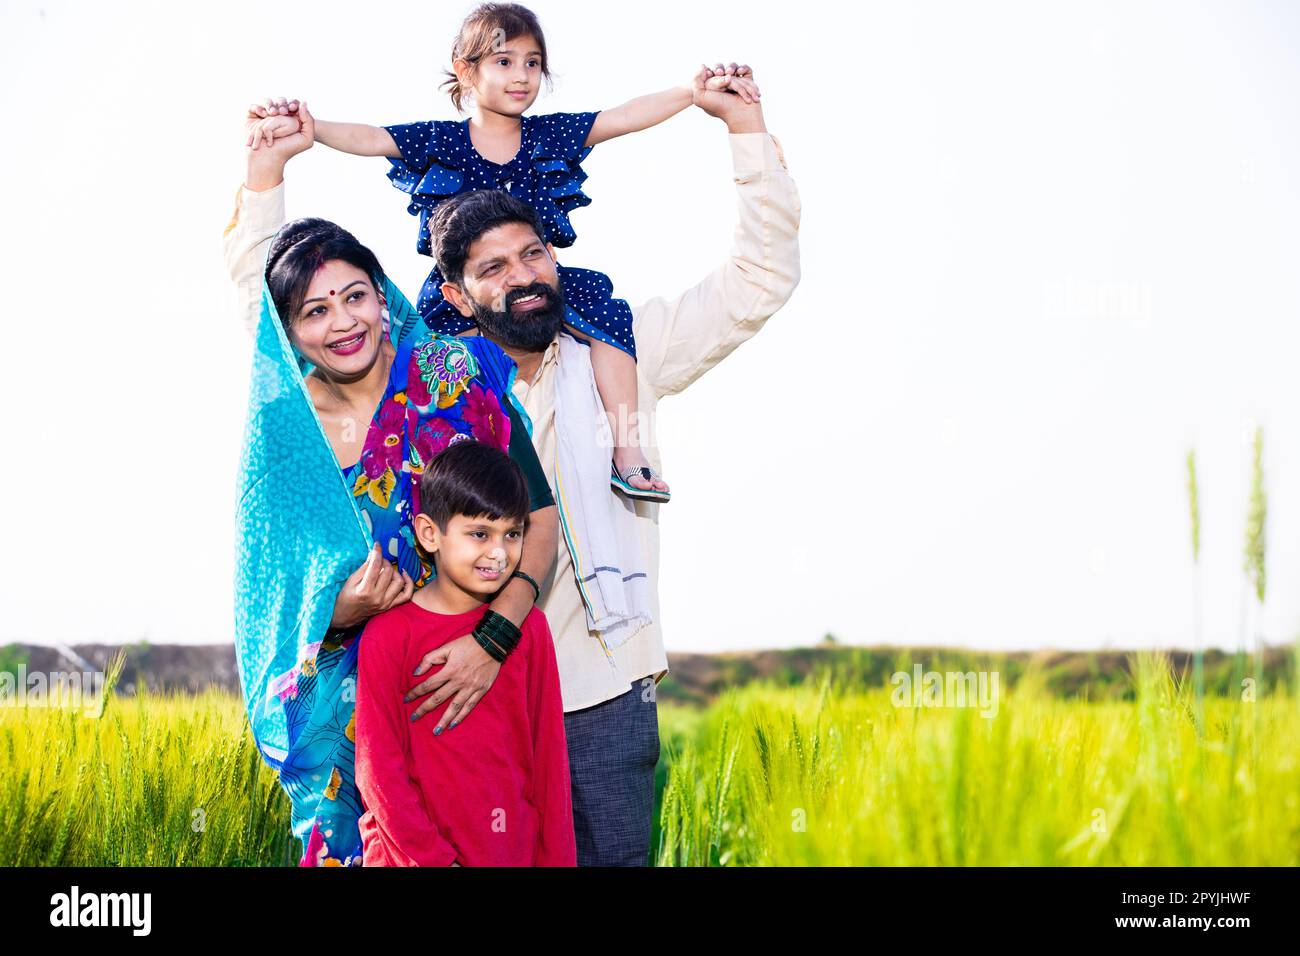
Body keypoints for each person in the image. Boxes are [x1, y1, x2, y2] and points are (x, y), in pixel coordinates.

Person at [236, 59, 800, 866]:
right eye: (493, 268)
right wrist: (268, 176)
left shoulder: (623, 351)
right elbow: (285, 315)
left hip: (599, 689)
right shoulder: (438, 381)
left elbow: (759, 279)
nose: (524, 276)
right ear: (456, 295)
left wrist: (745, 133)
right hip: (460, 697)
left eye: (534, 255)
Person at [247, 3, 756, 505]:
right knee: (422, 365)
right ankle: (444, 476)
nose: (522, 75)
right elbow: (371, 138)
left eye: (533, 63)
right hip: (470, 293)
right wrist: (312, 131)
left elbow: (622, 117)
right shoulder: (441, 139)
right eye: (504, 61)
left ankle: (628, 452)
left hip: (540, 282)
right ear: (466, 71)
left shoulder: (547, 134)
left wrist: (691, 93)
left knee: (611, 323)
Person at [225, 110, 560, 866]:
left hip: (458, 673)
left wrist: (496, 636)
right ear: (288, 332)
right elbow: (266, 595)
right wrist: (342, 609)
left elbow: (538, 517)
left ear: (383, 297)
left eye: (355, 296)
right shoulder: (284, 436)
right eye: (314, 311)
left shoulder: (454, 377)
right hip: (335, 703)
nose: (343, 323)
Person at [355, 440, 576, 867]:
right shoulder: (387, 635)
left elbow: (550, 767)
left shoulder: (529, 630)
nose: (499, 552)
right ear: (429, 533)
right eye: (480, 533)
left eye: (512, 533)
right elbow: (376, 768)